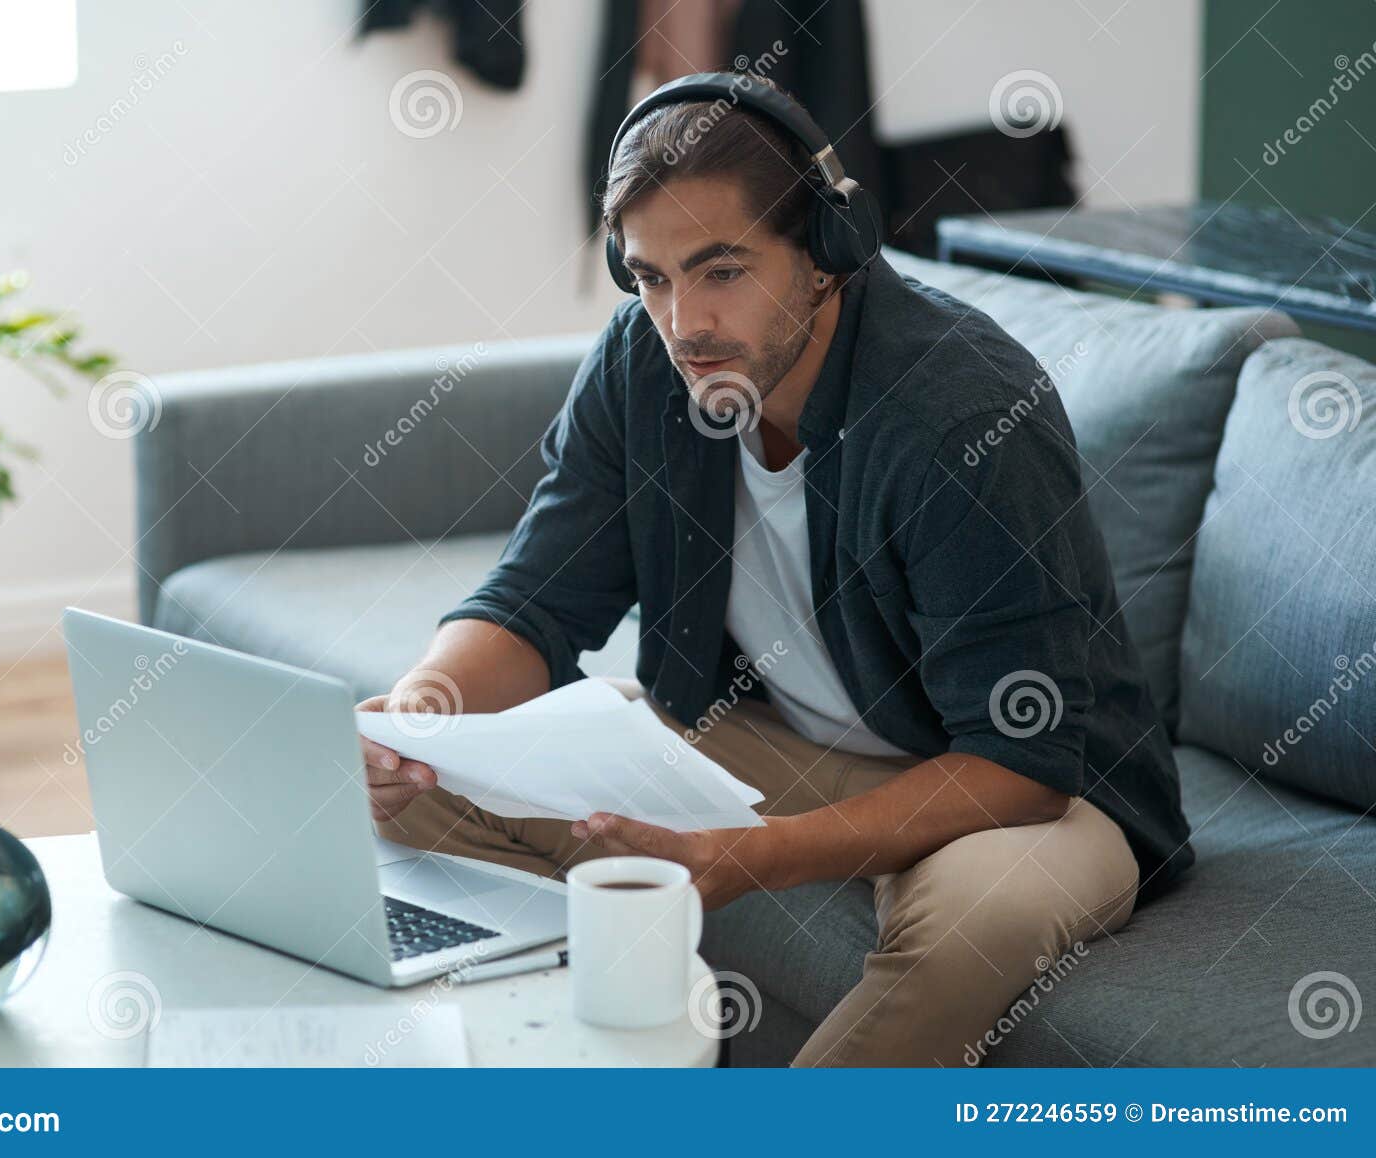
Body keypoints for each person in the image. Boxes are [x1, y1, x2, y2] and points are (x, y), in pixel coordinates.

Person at [359, 72, 1194, 1066]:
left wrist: (745, 860)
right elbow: (534, 601)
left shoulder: (959, 418)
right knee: (424, 791)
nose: (683, 324)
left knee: (981, 918)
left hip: (1025, 790)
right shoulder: (641, 365)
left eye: (721, 270)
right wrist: (418, 713)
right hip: (772, 742)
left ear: (826, 254)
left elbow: (1019, 763)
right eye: (653, 277)